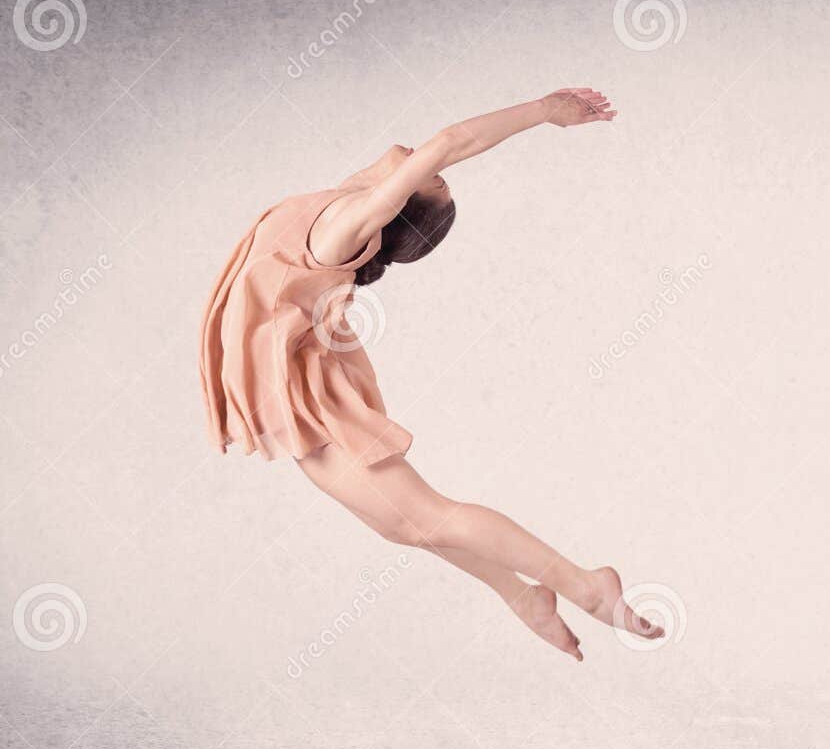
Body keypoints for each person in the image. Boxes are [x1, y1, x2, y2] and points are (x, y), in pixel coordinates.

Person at [199, 88, 661, 661]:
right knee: (398, 525)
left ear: (395, 207)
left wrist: (545, 111)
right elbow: (409, 157)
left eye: (434, 177)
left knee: (426, 515)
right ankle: (522, 596)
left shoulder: (342, 226)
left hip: (310, 402)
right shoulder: (345, 196)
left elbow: (449, 142)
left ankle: (587, 585)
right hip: (297, 392)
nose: (431, 164)